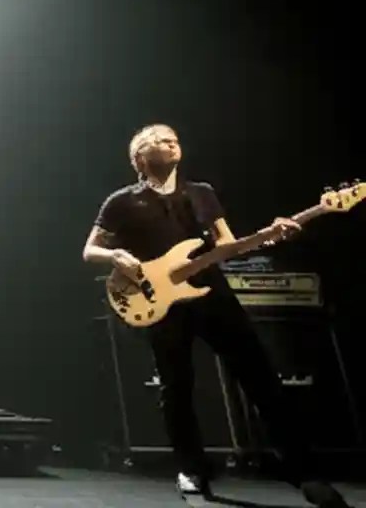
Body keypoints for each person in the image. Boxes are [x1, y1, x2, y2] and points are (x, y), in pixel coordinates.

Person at [81, 124, 347, 507]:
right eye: (156, 138)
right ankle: (191, 469)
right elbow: (90, 251)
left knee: (261, 378)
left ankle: (305, 472)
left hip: (212, 294)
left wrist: (270, 235)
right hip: (158, 300)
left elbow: (227, 245)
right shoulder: (121, 202)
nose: (169, 141)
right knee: (177, 388)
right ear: (139, 157)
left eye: (172, 137)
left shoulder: (201, 193)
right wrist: (115, 256)